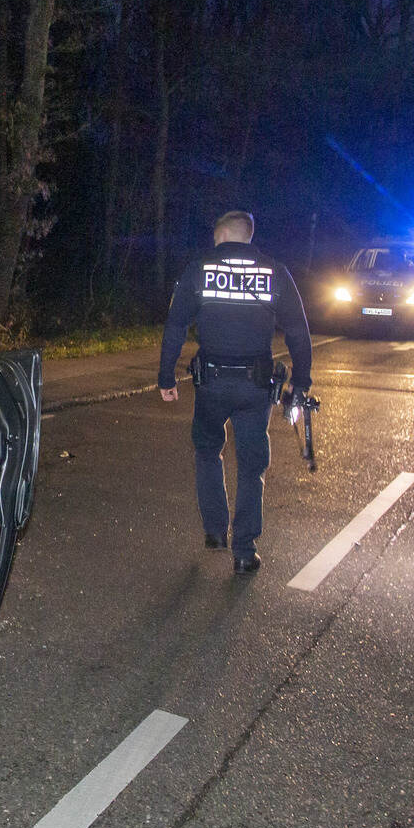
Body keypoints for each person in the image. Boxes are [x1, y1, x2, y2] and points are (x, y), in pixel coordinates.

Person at [157, 211, 313, 574]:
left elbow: (176, 325)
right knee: (251, 465)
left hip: (211, 383)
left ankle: (214, 531)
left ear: (224, 234)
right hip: (256, 386)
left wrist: (166, 377)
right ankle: (244, 551)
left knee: (208, 450)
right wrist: (300, 381)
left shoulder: (199, 269)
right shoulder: (275, 272)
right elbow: (298, 331)